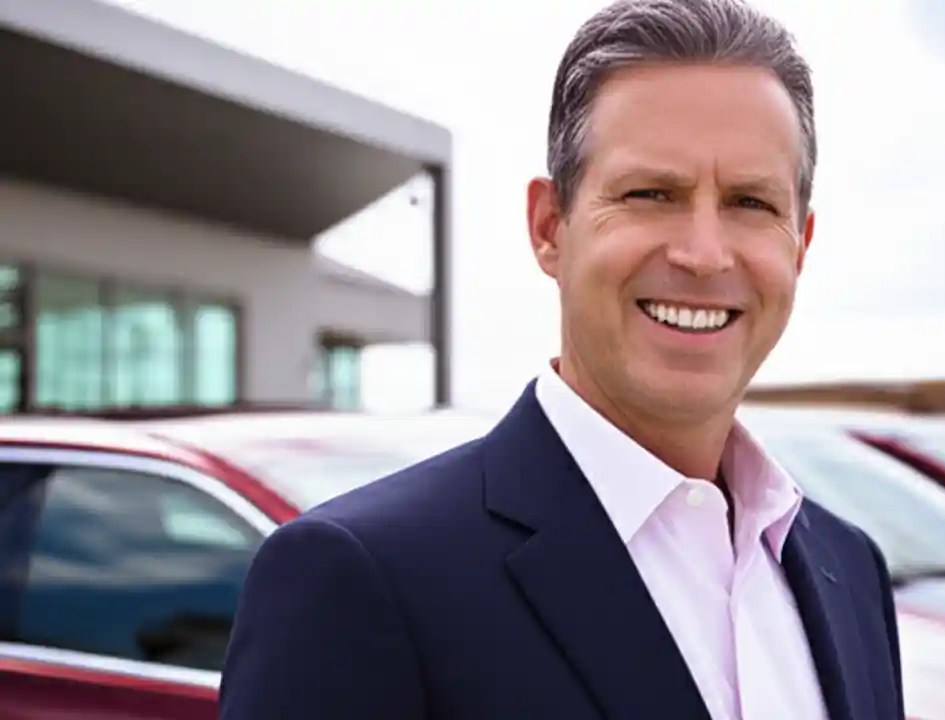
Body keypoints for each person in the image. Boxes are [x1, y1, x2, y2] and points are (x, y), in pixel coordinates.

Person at [218, 0, 904, 718]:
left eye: (751, 203)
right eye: (651, 194)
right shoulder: (359, 580)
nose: (704, 254)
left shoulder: (850, 571)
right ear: (549, 227)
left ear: (801, 244)